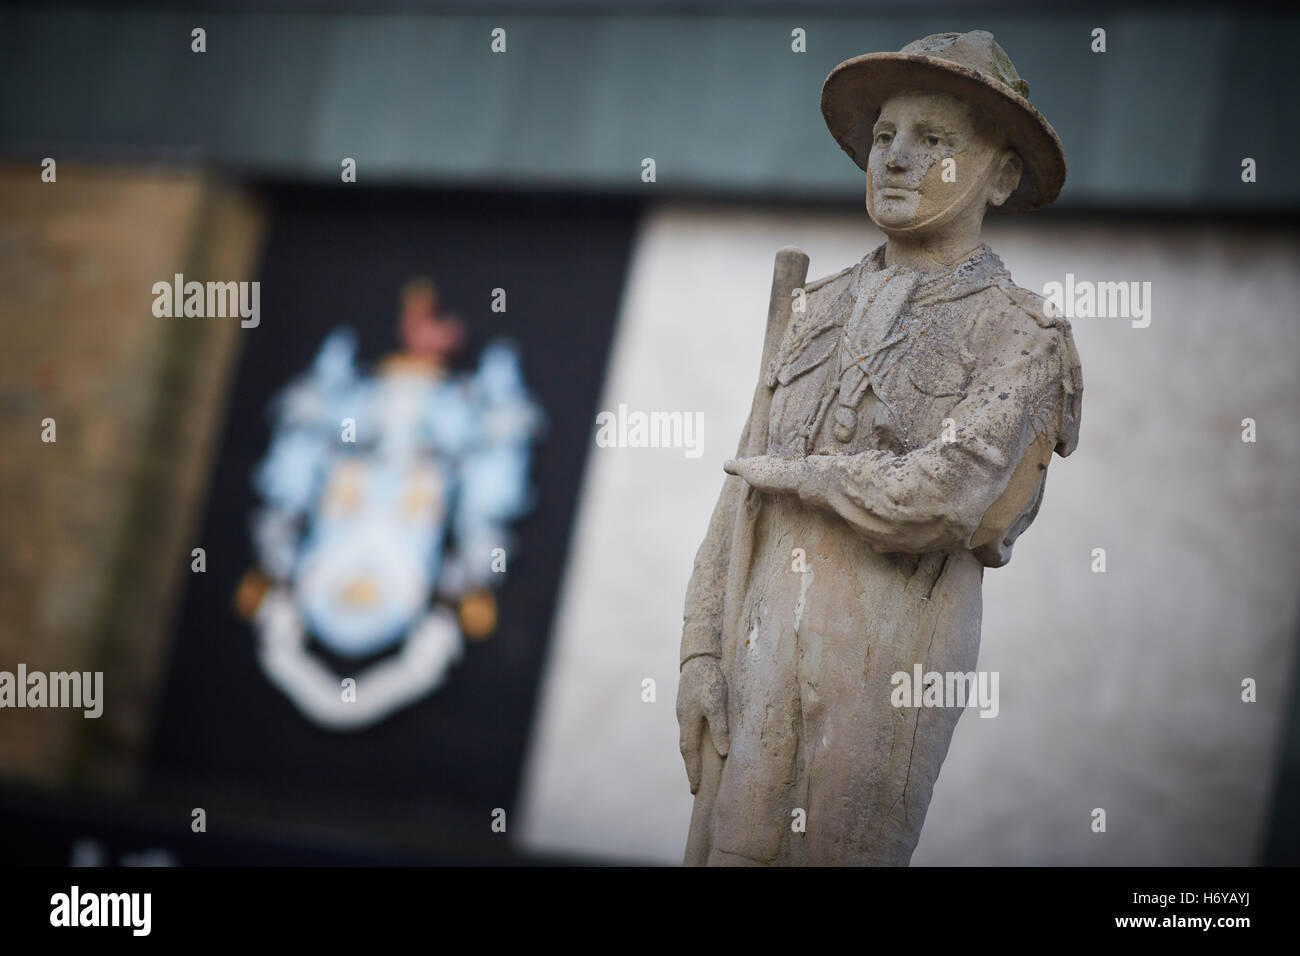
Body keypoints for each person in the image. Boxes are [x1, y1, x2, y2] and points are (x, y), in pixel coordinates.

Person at [677, 31, 1083, 865]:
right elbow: (736, 497)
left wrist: (798, 475)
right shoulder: (810, 308)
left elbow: (945, 496)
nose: (895, 159)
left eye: (933, 139)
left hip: (894, 660)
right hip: (756, 652)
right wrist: (699, 652)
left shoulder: (1022, 333)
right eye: (884, 136)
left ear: (1001, 175)